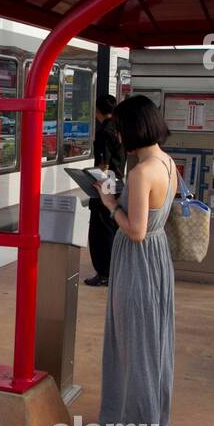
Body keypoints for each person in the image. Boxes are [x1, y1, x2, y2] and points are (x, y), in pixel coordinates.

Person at [96, 94, 177, 426]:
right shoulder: (167, 162)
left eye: (120, 129)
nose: (117, 136)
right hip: (158, 260)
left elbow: (136, 231)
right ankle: (150, 412)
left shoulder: (142, 172)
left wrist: (109, 202)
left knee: (132, 341)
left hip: (138, 262)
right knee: (152, 338)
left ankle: (135, 419)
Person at [84, 94, 124, 287]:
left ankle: (104, 272)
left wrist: (94, 182)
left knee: (100, 231)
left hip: (106, 184)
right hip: (117, 183)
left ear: (97, 110)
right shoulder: (118, 128)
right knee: (112, 228)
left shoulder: (104, 131)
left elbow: (103, 165)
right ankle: (114, 270)